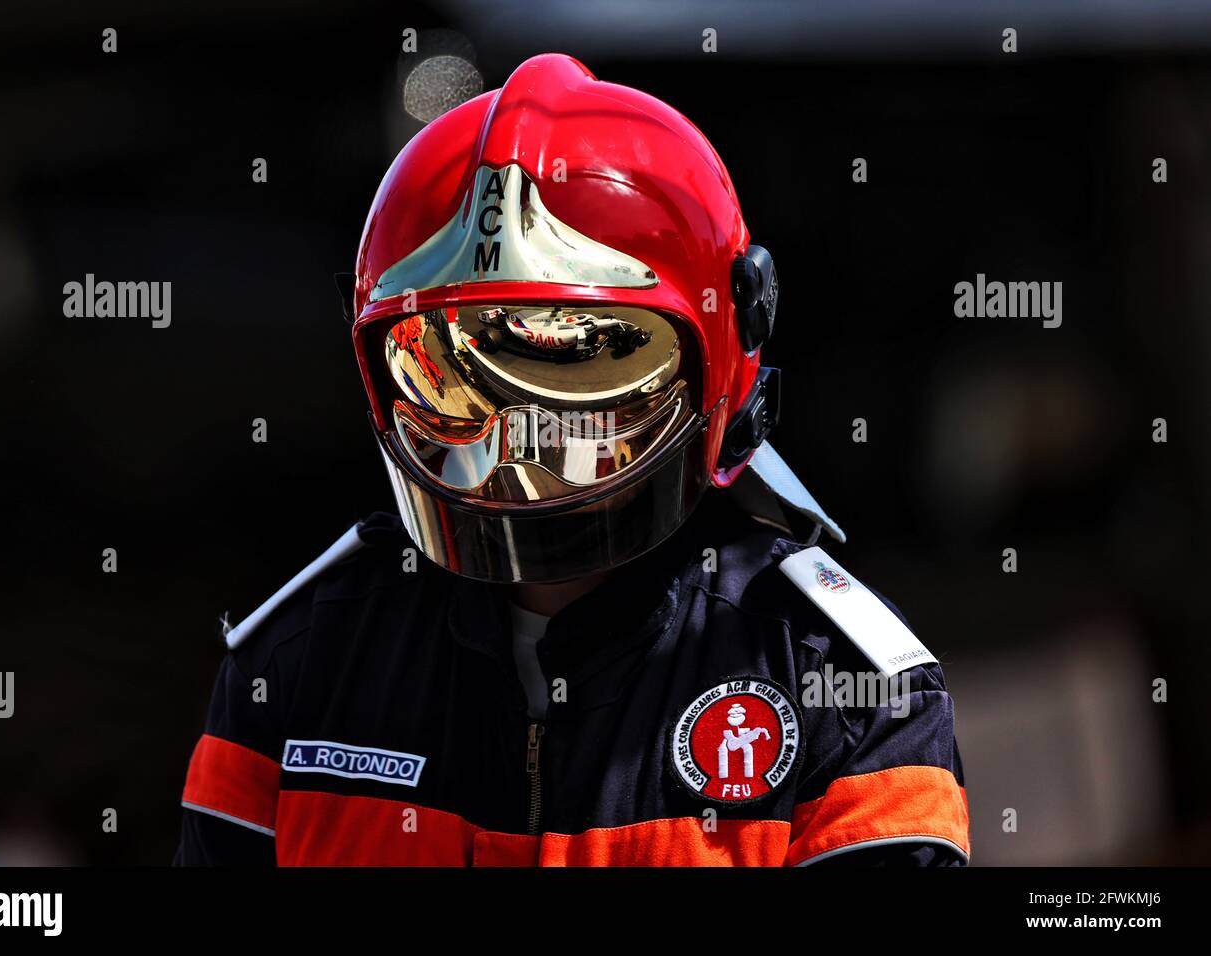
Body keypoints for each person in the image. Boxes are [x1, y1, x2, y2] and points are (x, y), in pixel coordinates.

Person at [175, 53, 968, 866]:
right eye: (449, 365)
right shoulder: (298, 662)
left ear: (720, 351)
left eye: (584, 359)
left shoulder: (852, 693)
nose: (514, 450)